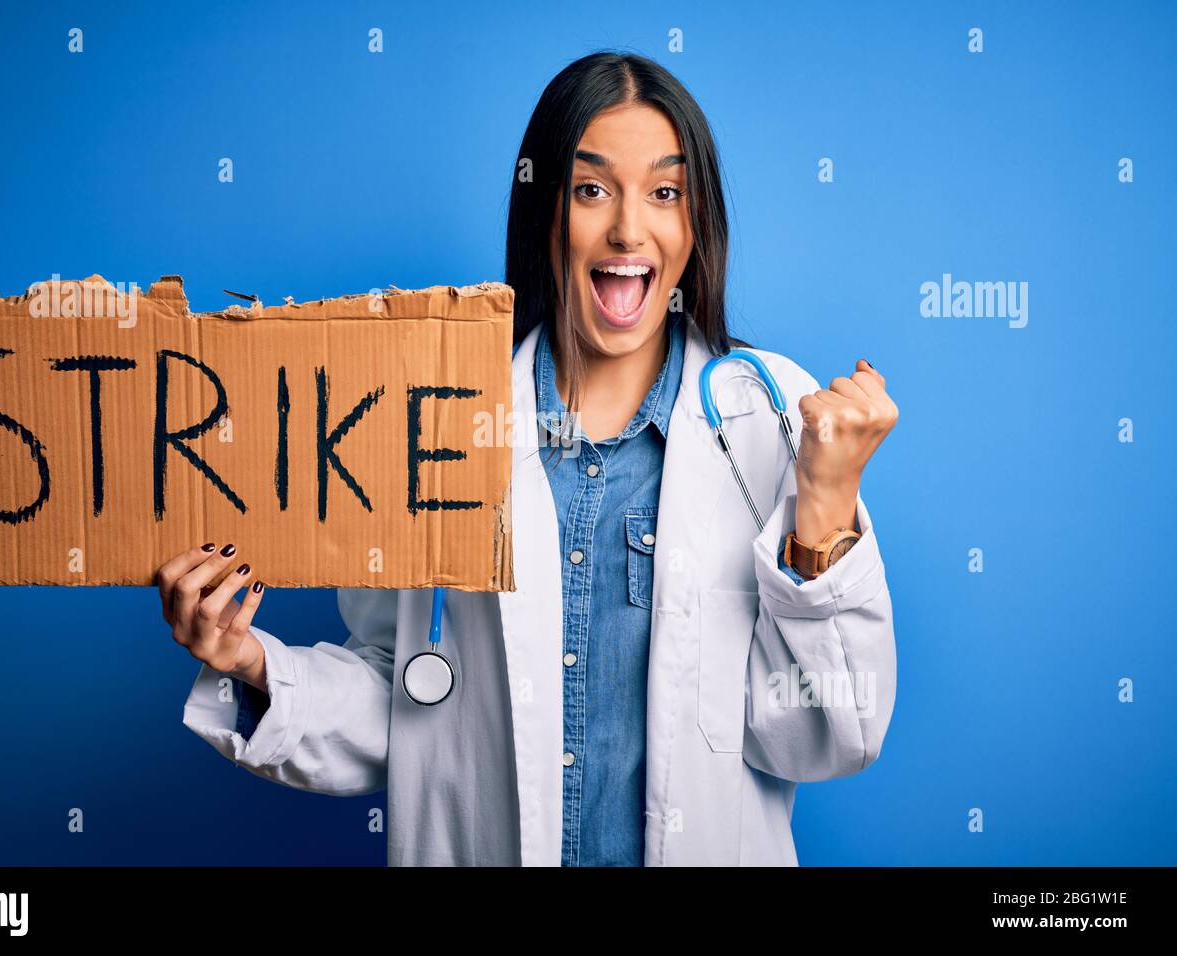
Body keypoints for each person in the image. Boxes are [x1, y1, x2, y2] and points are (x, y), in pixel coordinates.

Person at [158, 51, 898, 866]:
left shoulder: (772, 424)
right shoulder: (435, 417)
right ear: (544, 209)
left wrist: (825, 507)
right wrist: (248, 662)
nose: (627, 228)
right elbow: (399, 698)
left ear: (697, 224)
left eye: (664, 192)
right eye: (590, 190)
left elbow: (823, 739)